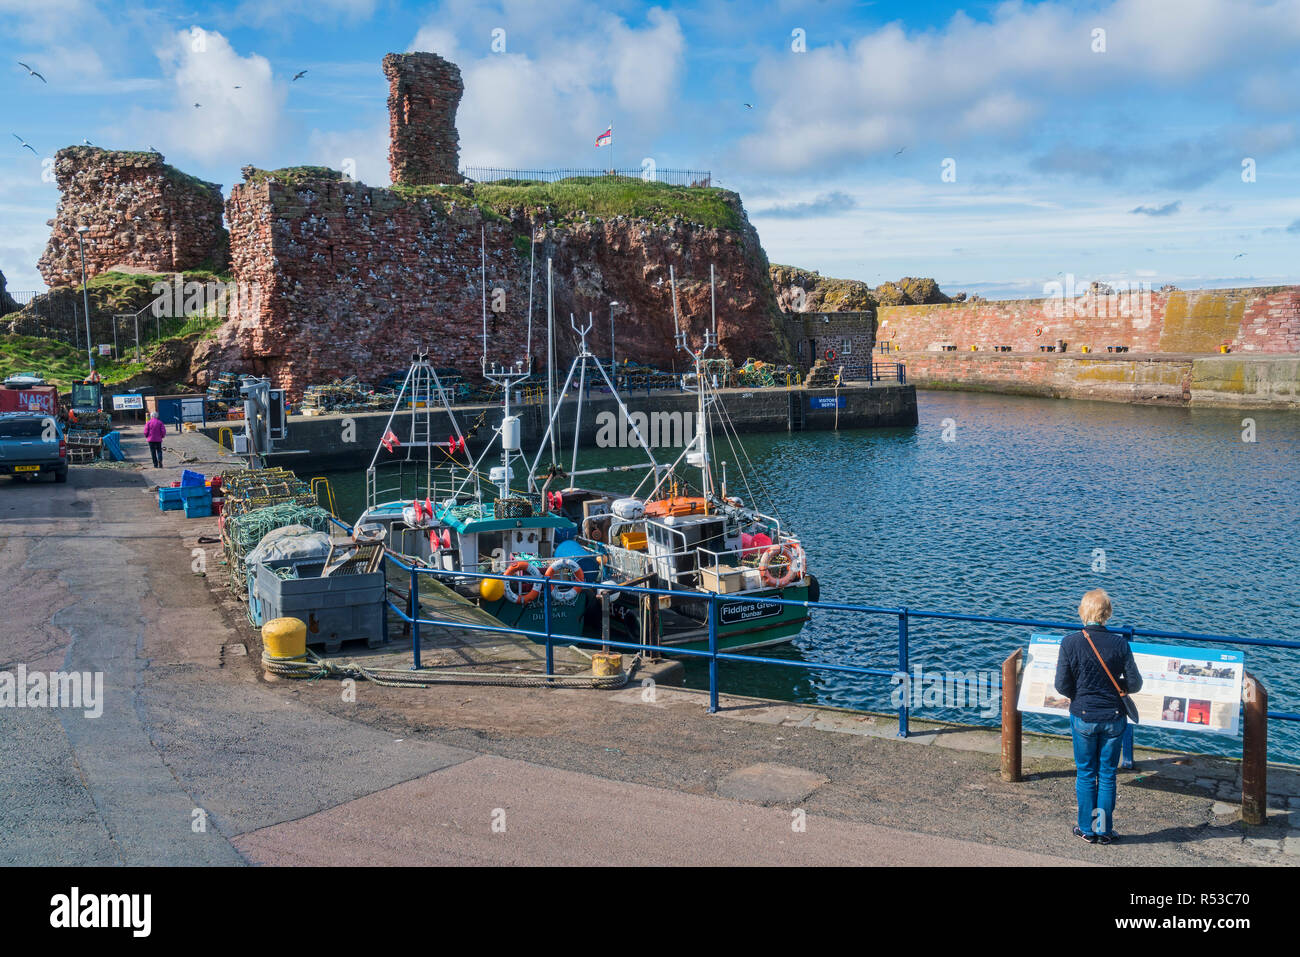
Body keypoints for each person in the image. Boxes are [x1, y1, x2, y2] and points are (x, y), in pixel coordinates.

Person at [1054, 589, 1142, 845]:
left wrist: (1079, 695)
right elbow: (1135, 683)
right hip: (1114, 716)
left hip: (1083, 715)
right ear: (1107, 613)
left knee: (1085, 772)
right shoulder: (1120, 644)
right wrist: (1118, 686)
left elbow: (1061, 685)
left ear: (1083, 612)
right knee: (1107, 774)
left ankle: (1086, 829)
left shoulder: (1070, 643)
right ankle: (1103, 830)